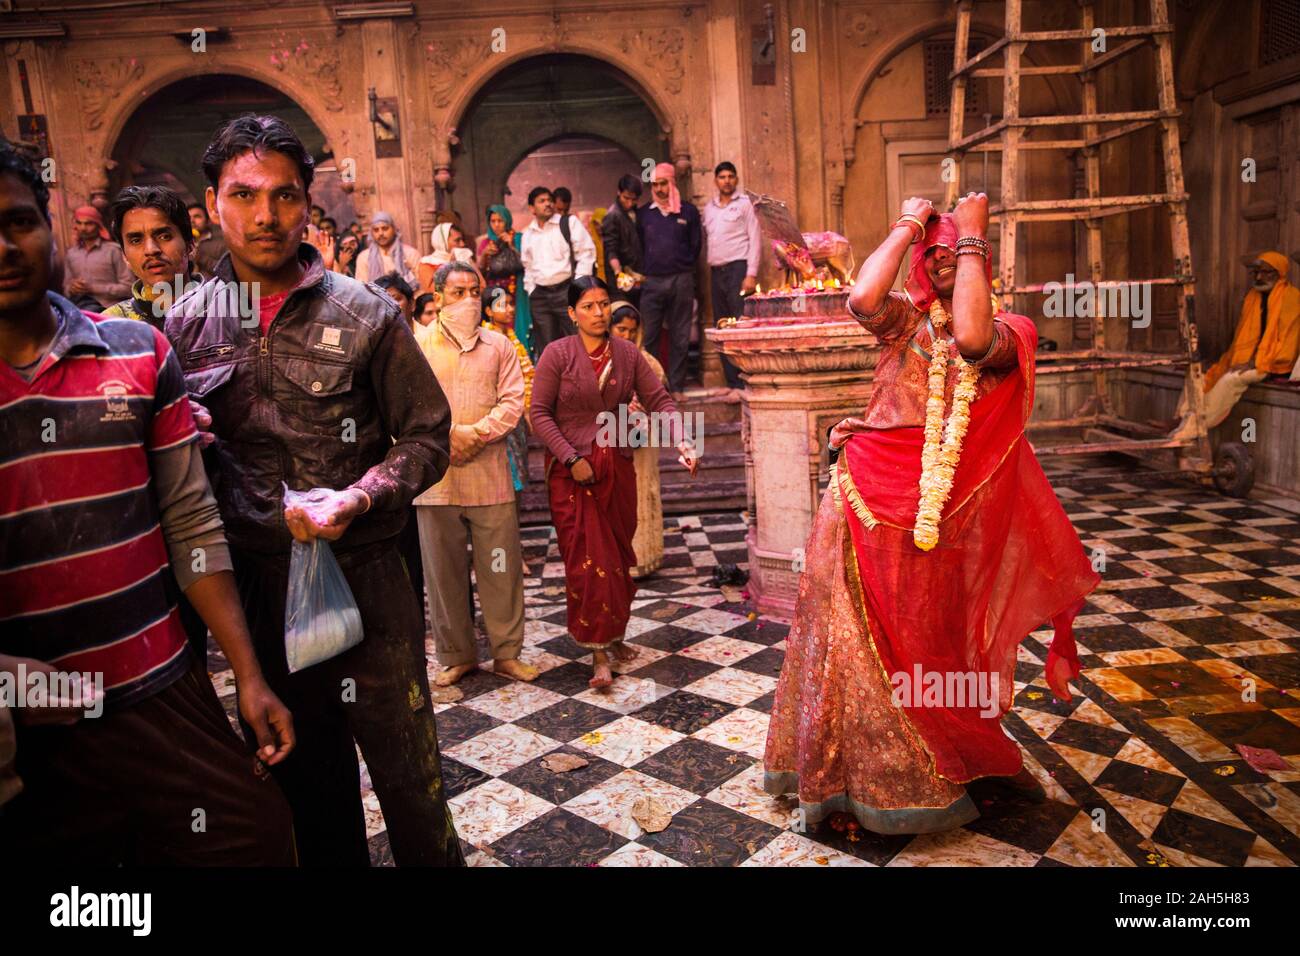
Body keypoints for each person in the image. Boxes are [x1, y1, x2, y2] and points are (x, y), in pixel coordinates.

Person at [165, 115, 463, 867]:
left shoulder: (365, 312)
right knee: (303, 780)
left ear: (308, 205)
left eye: (285, 195)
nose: (265, 216)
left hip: (365, 577)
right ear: (212, 203)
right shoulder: (185, 324)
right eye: (244, 195)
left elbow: (428, 436)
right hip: (258, 588)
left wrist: (358, 496)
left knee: (408, 780)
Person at [764, 193, 1099, 835]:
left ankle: (961, 758)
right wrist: (907, 224)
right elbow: (861, 298)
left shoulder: (1012, 333)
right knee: (850, 644)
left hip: (938, 519)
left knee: (932, 641)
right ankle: (853, 782)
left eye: (958, 251)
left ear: (980, 258)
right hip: (861, 500)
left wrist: (968, 233)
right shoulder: (906, 325)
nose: (944, 259)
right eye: (934, 254)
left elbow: (973, 340)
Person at [0, 142, 296, 864]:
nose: (4, 247)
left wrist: (248, 674)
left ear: (53, 229)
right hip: (30, 722)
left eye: (18, 221)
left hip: (160, 684)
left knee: (253, 838)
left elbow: (190, 520)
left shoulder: (135, 352)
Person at [530, 276, 698, 688]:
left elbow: (659, 400)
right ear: (572, 314)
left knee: (619, 558)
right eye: (588, 306)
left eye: (603, 304)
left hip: (618, 467)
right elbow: (538, 415)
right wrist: (571, 458)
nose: (599, 312)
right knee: (590, 562)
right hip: (573, 477)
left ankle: (615, 634)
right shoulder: (557, 355)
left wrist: (683, 438)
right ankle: (599, 653)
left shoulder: (627, 354)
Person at [411, 262, 535, 687]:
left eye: (474, 291)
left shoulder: (499, 345)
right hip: (436, 480)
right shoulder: (417, 344)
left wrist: (475, 435)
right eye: (458, 291)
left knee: (500, 568)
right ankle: (456, 656)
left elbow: (512, 402)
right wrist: (446, 438)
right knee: (443, 573)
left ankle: (507, 653)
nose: (468, 300)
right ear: (438, 295)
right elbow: (406, 405)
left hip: (490, 475)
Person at [1169, 251, 1300, 439]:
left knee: (1230, 379)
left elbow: (1289, 341)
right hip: (1249, 360)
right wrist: (1235, 360)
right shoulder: (1253, 297)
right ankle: (1181, 419)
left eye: (1266, 272)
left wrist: (1255, 362)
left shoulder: (1291, 297)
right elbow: (1241, 338)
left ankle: (1197, 423)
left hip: (1274, 364)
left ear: (1279, 273)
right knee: (1202, 374)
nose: (1259, 277)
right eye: (1256, 272)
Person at [609, 300, 666, 578]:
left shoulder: (647, 360)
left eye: (632, 330)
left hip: (643, 436)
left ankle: (644, 556)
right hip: (608, 434)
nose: (628, 336)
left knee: (643, 490)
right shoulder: (598, 359)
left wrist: (639, 405)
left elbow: (660, 396)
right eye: (621, 329)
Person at [637, 162, 702, 393]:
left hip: (682, 279)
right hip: (652, 281)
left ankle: (676, 387)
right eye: (654, 184)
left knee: (680, 335)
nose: (659, 189)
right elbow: (639, 247)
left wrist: (682, 266)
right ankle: (653, 388)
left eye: (663, 183)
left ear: (672, 183)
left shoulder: (688, 212)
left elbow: (696, 246)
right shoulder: (644, 214)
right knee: (650, 335)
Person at [103, 185, 203, 329]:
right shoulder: (111, 325)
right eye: (136, 240)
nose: (151, 250)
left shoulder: (230, 313)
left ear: (190, 246)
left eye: (164, 236)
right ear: (124, 256)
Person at [701, 161, 761, 388]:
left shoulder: (745, 205)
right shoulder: (709, 208)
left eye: (730, 176)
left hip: (739, 269)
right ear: (716, 181)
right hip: (717, 272)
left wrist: (751, 274)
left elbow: (755, 239)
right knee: (722, 325)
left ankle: (745, 382)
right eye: (722, 177)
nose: (726, 180)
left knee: (741, 325)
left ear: (736, 180)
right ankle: (731, 384)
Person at [521, 186, 596, 359]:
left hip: (566, 291)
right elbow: (528, 266)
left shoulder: (568, 223)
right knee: (549, 348)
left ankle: (583, 382)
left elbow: (586, 253)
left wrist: (577, 287)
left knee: (578, 341)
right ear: (532, 208)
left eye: (549, 200)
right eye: (541, 201)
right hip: (540, 296)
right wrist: (532, 290)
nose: (547, 204)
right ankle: (557, 385)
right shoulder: (528, 234)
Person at [483, 289, 535, 510]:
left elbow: (526, 376)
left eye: (511, 304)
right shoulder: (487, 340)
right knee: (505, 473)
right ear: (488, 311)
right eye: (503, 305)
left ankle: (512, 535)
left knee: (517, 473)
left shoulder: (510, 337)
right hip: (497, 415)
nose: (511, 309)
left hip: (516, 415)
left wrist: (528, 408)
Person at [476, 204, 532, 354]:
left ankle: (522, 358)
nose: (496, 225)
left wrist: (512, 244)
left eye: (500, 221)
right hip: (496, 290)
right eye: (493, 221)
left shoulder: (519, 238)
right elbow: (480, 270)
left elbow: (529, 262)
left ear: (507, 220)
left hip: (516, 289)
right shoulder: (485, 243)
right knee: (498, 322)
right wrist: (485, 254)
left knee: (516, 322)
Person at [62, 204, 133, 310]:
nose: (83, 228)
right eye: (79, 223)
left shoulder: (113, 250)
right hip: (83, 314)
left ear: (98, 225)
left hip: (112, 313)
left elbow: (129, 288)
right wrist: (72, 288)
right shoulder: (71, 254)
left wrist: (93, 288)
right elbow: (65, 288)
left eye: (88, 223)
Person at [601, 174, 644, 304]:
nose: (629, 203)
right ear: (619, 192)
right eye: (626, 198)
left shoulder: (636, 213)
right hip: (621, 278)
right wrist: (618, 273)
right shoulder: (612, 216)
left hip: (638, 275)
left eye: (634, 199)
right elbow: (610, 249)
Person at [355, 210, 419, 285]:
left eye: (385, 228)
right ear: (372, 233)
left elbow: (420, 284)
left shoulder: (410, 254)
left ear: (394, 230)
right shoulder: (364, 257)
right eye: (376, 230)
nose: (380, 233)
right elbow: (362, 287)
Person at [188, 202, 227, 275]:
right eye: (188, 218)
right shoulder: (183, 245)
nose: (192, 221)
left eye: (197, 216)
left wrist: (200, 257)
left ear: (208, 221)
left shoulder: (221, 244)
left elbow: (228, 272)